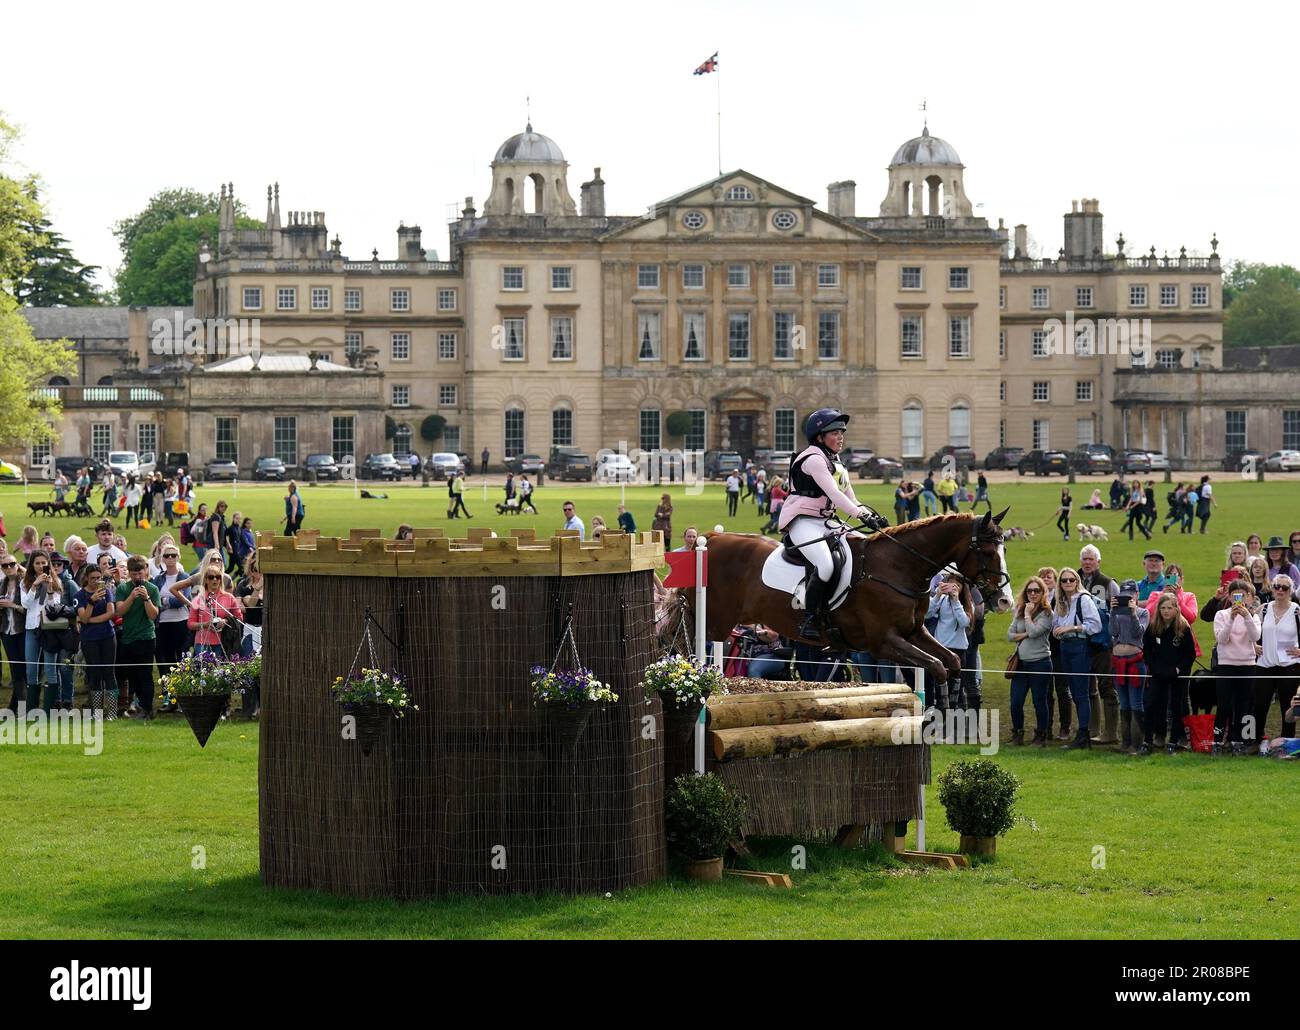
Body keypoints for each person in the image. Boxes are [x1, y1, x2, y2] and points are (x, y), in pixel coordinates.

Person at [778, 409, 886, 643]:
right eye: (835, 433)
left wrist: (872, 517)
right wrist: (859, 515)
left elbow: (853, 499)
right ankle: (810, 618)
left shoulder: (836, 462)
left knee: (866, 547)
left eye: (842, 433)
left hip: (826, 522)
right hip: (802, 521)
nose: (840, 437)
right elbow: (835, 495)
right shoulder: (814, 459)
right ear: (819, 437)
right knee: (825, 566)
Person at [1053, 567, 1102, 749]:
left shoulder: (1084, 599)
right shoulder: (1060, 601)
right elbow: (1056, 624)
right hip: (1065, 646)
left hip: (1080, 646)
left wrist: (1071, 628)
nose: (1067, 583)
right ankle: (1082, 734)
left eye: (1071, 580)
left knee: (1082, 693)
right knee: (1074, 692)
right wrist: (1058, 631)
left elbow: (1095, 625)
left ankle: (1084, 735)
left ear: (1077, 581)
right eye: (1064, 580)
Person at [1143, 592, 1196, 755]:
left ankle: (1173, 741)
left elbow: (1190, 654)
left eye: (1169, 608)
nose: (1166, 611)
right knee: (1151, 704)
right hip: (1158, 673)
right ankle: (1148, 741)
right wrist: (1154, 668)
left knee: (1176, 707)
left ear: (1176, 609)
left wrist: (1178, 669)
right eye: (1163, 608)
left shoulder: (1183, 628)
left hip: (1177, 675)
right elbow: (1147, 650)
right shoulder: (1153, 627)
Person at [1213, 579, 1261, 755]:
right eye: (1235, 594)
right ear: (1230, 596)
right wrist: (1232, 618)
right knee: (1223, 705)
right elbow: (1222, 639)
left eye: (1243, 594)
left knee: (1243, 705)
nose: (1239, 598)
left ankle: (1238, 741)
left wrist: (1246, 616)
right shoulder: (1221, 615)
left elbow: (1255, 635)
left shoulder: (1253, 616)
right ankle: (1217, 742)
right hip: (1226, 665)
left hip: (1247, 665)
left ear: (1249, 597)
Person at [1078, 544, 1119, 745]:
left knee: (1107, 685)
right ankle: (1092, 728)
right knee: (1087, 687)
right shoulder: (1071, 579)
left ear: (1098, 562)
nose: (1087, 562)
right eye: (1084, 559)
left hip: (1103, 643)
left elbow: (1119, 612)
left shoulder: (1108, 583)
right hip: (1079, 643)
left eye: (1091, 559)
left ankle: (1111, 732)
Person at [1253, 573, 1300, 748]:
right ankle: (1255, 740)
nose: (1280, 590)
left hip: (1290, 666)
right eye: (1277, 587)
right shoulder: (1264, 609)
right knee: (1259, 704)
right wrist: (1253, 646)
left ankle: (1287, 741)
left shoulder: (1297, 611)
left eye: (1284, 588)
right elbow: (1251, 631)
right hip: (1265, 664)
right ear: (1272, 589)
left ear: (1290, 591)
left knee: (1289, 706)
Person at [1008, 576, 1054, 746]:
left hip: (1040, 662)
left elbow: (1035, 632)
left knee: (1039, 701)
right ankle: (1017, 733)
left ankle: (1041, 735)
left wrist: (1028, 616)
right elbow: (1010, 635)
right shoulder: (1019, 610)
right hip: (1021, 664)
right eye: (1030, 590)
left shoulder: (1047, 613)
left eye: (1037, 590)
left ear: (1043, 592)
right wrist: (1026, 631)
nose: (1033, 593)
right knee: (1015, 702)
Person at [115, 555, 161, 720]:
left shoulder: (153, 589)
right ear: (129, 573)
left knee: (145, 674)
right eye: (133, 574)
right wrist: (132, 597)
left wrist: (146, 598)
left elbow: (153, 615)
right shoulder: (123, 589)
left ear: (145, 571)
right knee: (132, 675)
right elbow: (119, 612)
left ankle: (147, 708)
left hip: (146, 637)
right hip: (128, 638)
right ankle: (136, 705)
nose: (137, 577)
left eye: (139, 573)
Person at [1109, 581, 1150, 754]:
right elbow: (1113, 632)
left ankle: (1137, 743)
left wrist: (1133, 613)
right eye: (1125, 595)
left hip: (1135, 663)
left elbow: (1138, 633)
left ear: (1136, 595)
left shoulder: (1143, 612)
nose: (1128, 598)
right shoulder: (1116, 612)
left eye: (1131, 594)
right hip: (1118, 662)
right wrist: (1112, 612)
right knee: (1124, 703)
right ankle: (1125, 742)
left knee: (1136, 702)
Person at [75, 566, 118, 719]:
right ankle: (97, 713)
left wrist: (89, 620)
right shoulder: (79, 595)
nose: (95, 581)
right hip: (89, 639)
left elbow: (110, 614)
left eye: (98, 578)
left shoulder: (106, 592)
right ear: (86, 577)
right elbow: (83, 617)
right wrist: (91, 602)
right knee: (94, 674)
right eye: (92, 578)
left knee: (109, 673)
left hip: (107, 636)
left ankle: (112, 713)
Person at [151, 545, 191, 698]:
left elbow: (182, 601)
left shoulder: (184, 577)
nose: (170, 558)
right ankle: (169, 695)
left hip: (181, 622)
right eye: (167, 556)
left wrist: (164, 601)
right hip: (163, 624)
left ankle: (182, 693)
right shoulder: (158, 579)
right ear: (162, 558)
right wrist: (167, 601)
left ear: (178, 557)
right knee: (167, 659)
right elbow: (154, 600)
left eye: (173, 555)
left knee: (181, 658)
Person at [187, 568, 243, 659]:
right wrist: (205, 624)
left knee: (220, 671)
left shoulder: (229, 597)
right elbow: (190, 624)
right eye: (211, 577)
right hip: (202, 643)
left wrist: (225, 621)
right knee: (202, 672)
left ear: (221, 580)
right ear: (205, 580)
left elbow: (239, 618)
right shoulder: (198, 599)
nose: (215, 580)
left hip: (224, 642)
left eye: (217, 577)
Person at [0, 553, 27, 711]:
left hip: (23, 630)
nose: (9, 567)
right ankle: (16, 707)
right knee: (15, 669)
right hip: (6, 631)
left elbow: (30, 610)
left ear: (17, 565)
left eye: (12, 564)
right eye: (5, 565)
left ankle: (22, 707)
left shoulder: (24, 584)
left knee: (24, 669)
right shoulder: (1, 584)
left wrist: (12, 605)